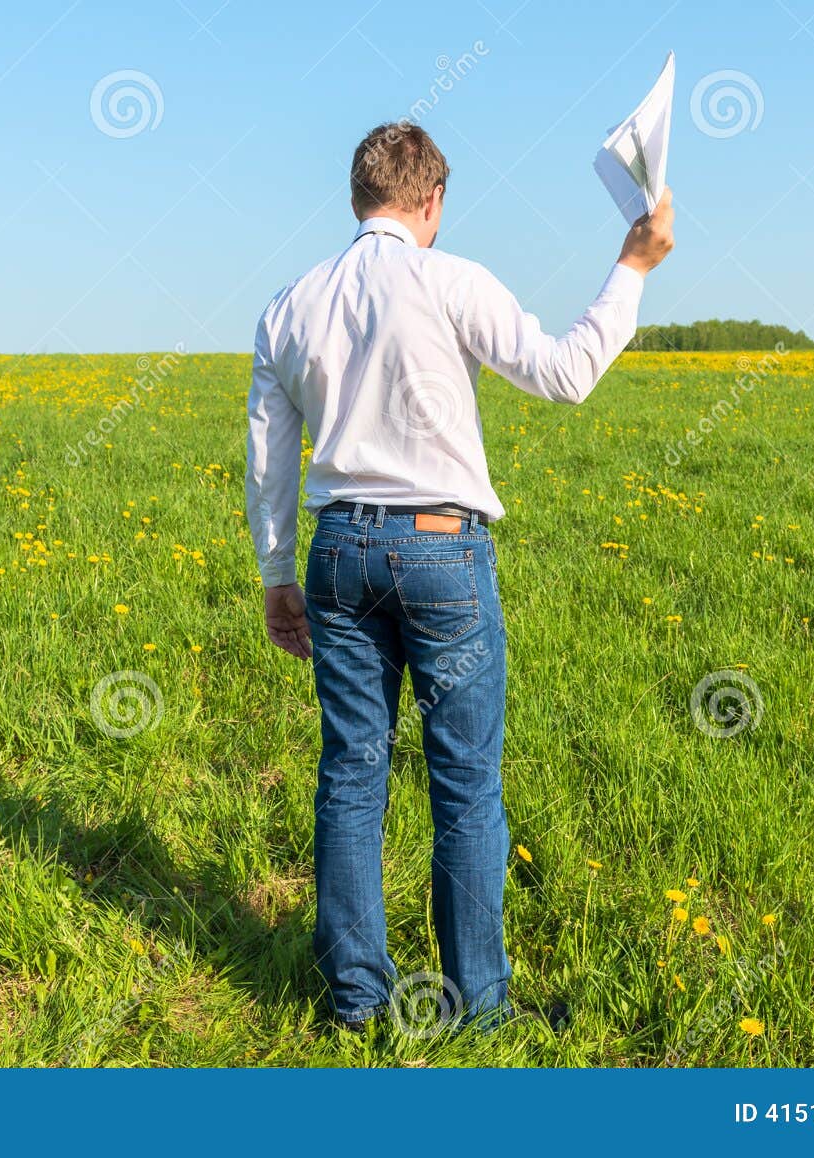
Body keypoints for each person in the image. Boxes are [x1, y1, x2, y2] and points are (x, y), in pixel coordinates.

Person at [243, 122, 675, 1031]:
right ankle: (480, 1010)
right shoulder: (452, 279)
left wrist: (277, 570)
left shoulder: (290, 303)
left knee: (351, 773)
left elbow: (268, 457)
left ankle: (356, 1004)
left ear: (359, 197)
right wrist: (633, 265)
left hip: (336, 554)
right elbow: (564, 374)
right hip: (443, 549)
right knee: (466, 783)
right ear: (430, 199)